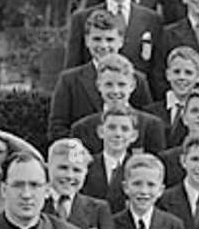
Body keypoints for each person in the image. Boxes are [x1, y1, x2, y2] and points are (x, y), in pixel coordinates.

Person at [63, 0, 164, 100]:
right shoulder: (82, 19)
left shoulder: (152, 19)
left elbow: (155, 71)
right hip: (93, 102)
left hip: (137, 103)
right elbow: (73, 68)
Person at [47, 9, 149, 143]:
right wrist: (80, 157)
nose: (103, 45)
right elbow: (57, 128)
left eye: (110, 39)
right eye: (97, 39)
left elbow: (145, 124)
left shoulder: (137, 79)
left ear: (121, 41)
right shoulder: (69, 81)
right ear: (87, 41)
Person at [69, 53, 168, 156]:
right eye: (109, 84)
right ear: (98, 85)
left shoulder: (151, 125)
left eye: (121, 84)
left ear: (132, 85)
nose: (115, 91)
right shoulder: (81, 129)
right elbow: (75, 165)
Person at [81, 104, 139, 212]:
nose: (118, 134)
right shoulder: (87, 165)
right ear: (101, 132)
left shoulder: (138, 168)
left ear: (134, 136)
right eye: (112, 127)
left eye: (124, 129)